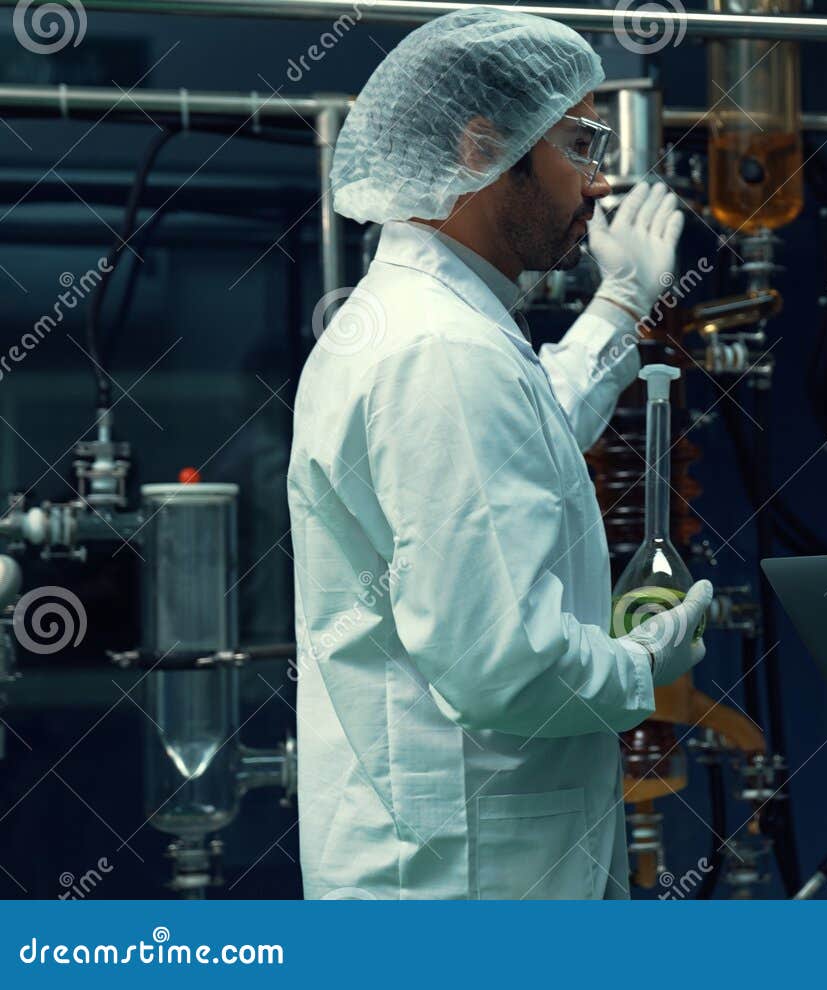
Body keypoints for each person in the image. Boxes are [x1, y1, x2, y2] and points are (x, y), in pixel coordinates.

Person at [288, 8, 712, 900]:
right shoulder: (439, 349)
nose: (597, 183)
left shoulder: (430, 320)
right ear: (486, 148)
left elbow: (514, 445)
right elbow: (505, 667)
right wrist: (643, 666)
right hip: (464, 887)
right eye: (580, 145)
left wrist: (622, 305)